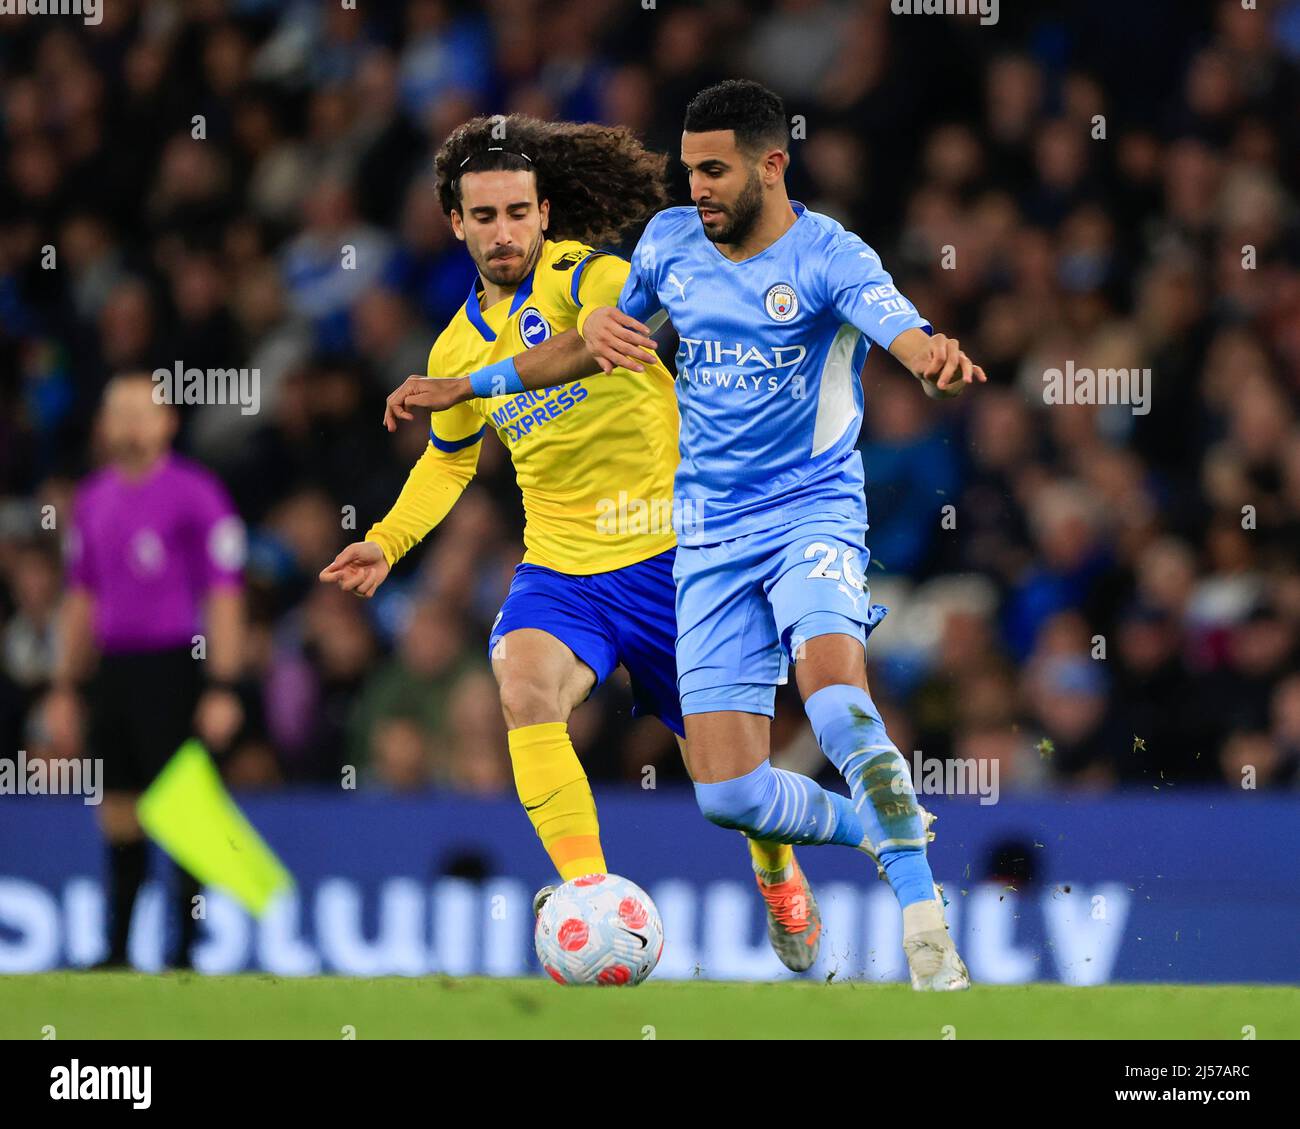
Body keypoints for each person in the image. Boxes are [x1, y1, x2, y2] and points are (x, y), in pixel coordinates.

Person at [386, 82, 987, 990]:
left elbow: (896, 323)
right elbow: (589, 346)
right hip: (672, 545)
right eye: (689, 171)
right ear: (457, 225)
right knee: (719, 788)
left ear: (769, 165)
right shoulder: (664, 248)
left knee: (829, 696)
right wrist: (452, 417)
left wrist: (930, 354)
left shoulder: (822, 254)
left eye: (712, 171)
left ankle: (922, 922)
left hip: (762, 522)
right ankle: (829, 832)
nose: (695, 187)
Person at [322, 115, 824, 972]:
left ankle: (777, 869)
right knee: (522, 687)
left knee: (729, 786)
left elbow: (595, 337)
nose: (504, 231)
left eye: (519, 212)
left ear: (545, 213)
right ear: (456, 223)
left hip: (675, 557)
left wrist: (551, 348)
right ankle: (589, 892)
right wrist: (385, 541)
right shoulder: (451, 345)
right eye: (485, 217)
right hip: (562, 568)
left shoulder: (591, 275)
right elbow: (448, 465)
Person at [54, 372, 247, 969]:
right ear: (104, 425)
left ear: (168, 422)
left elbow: (225, 594)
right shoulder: (91, 499)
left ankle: (185, 953)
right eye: (120, 413)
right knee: (117, 807)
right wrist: (65, 685)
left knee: (183, 809)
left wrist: (223, 684)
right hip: (115, 669)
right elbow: (80, 599)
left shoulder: (197, 493)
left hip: (177, 668)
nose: (132, 424)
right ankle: (115, 952)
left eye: (144, 412)